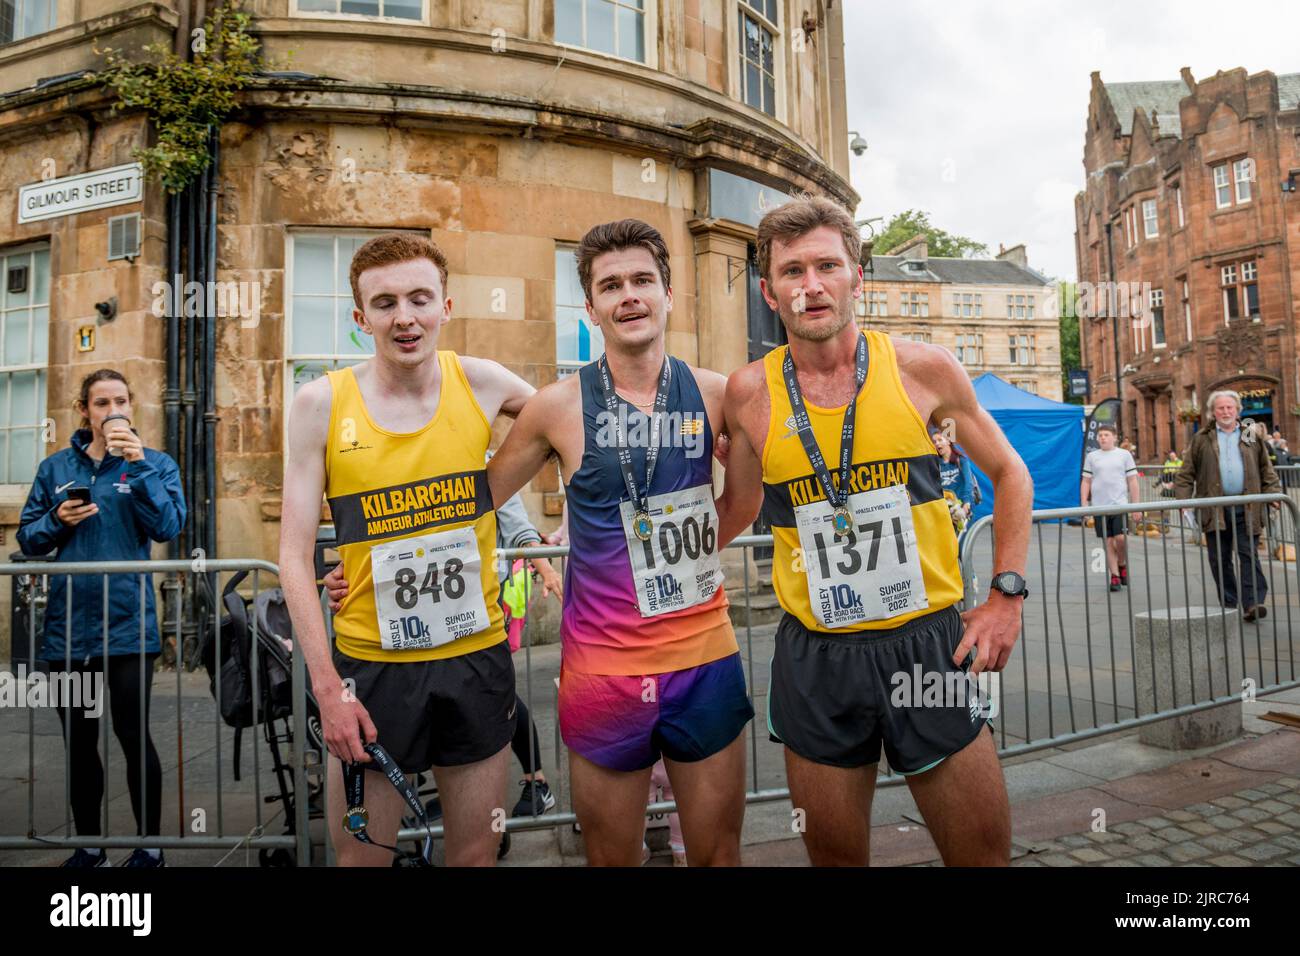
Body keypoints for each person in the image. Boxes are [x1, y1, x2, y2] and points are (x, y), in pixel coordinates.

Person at [722, 195, 1033, 866]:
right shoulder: (748, 394)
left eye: (827, 266)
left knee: (982, 857)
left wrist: (1006, 595)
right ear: (768, 290)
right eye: (792, 271)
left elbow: (1012, 474)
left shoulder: (923, 369)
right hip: (818, 658)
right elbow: (738, 509)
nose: (812, 287)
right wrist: (637, 562)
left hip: (927, 646)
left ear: (857, 275)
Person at [486, 219, 762, 866]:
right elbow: (479, 498)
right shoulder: (556, 407)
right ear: (590, 307)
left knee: (718, 853)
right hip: (603, 675)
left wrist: (675, 559)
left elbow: (743, 503)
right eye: (611, 285)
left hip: (704, 660)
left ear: (669, 294)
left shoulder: (717, 395)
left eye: (643, 280)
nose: (629, 295)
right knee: (613, 858)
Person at [279, 233, 535, 866]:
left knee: (476, 853)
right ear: (360, 317)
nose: (405, 317)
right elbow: (291, 553)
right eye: (385, 302)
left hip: (475, 657)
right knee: (362, 858)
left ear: (445, 305)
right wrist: (328, 690)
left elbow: (578, 429)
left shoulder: (482, 382)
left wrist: (556, 533)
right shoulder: (319, 404)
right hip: (372, 669)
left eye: (420, 298)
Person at [18, 369, 185, 868]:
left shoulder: (154, 464)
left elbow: (169, 526)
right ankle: (89, 848)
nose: (112, 410)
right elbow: (28, 539)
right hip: (69, 629)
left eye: (121, 400)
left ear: (131, 407)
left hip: (130, 627)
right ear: (85, 410)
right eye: (101, 402)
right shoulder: (55, 469)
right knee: (79, 743)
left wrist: (139, 467)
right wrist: (55, 520)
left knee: (133, 736)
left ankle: (151, 846)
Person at [1174, 391, 1282, 623]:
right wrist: (1183, 503)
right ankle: (1230, 602)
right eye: (1221, 408)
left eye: (1229, 408)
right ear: (1213, 412)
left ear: (1237, 411)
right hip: (1215, 508)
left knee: (1248, 554)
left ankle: (1252, 603)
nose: (1225, 412)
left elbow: (1266, 469)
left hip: (1248, 507)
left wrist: (1273, 493)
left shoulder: (1250, 435)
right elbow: (1185, 474)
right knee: (1219, 558)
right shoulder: (1202, 438)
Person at [493, 480, 563, 817]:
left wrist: (547, 569)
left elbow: (520, 529)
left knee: (502, 695)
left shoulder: (484, 457)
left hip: (487, 612)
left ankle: (537, 782)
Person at [1081, 425, 1142, 592]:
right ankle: (1115, 576)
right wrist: (1085, 506)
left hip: (1120, 505)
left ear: (1115, 437)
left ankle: (1122, 563)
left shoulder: (1124, 455)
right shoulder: (1092, 457)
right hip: (1100, 507)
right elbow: (1086, 481)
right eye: (1100, 435)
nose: (1102, 438)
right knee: (1108, 542)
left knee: (1121, 538)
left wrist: (1137, 506)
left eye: (1106, 435)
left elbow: (1133, 481)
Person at [931, 428, 974, 539]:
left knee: (959, 542)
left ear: (948, 441)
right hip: (944, 509)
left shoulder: (961, 460)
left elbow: (968, 483)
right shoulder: (936, 464)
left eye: (940, 440)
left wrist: (966, 503)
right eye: (934, 442)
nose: (937, 444)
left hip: (960, 507)